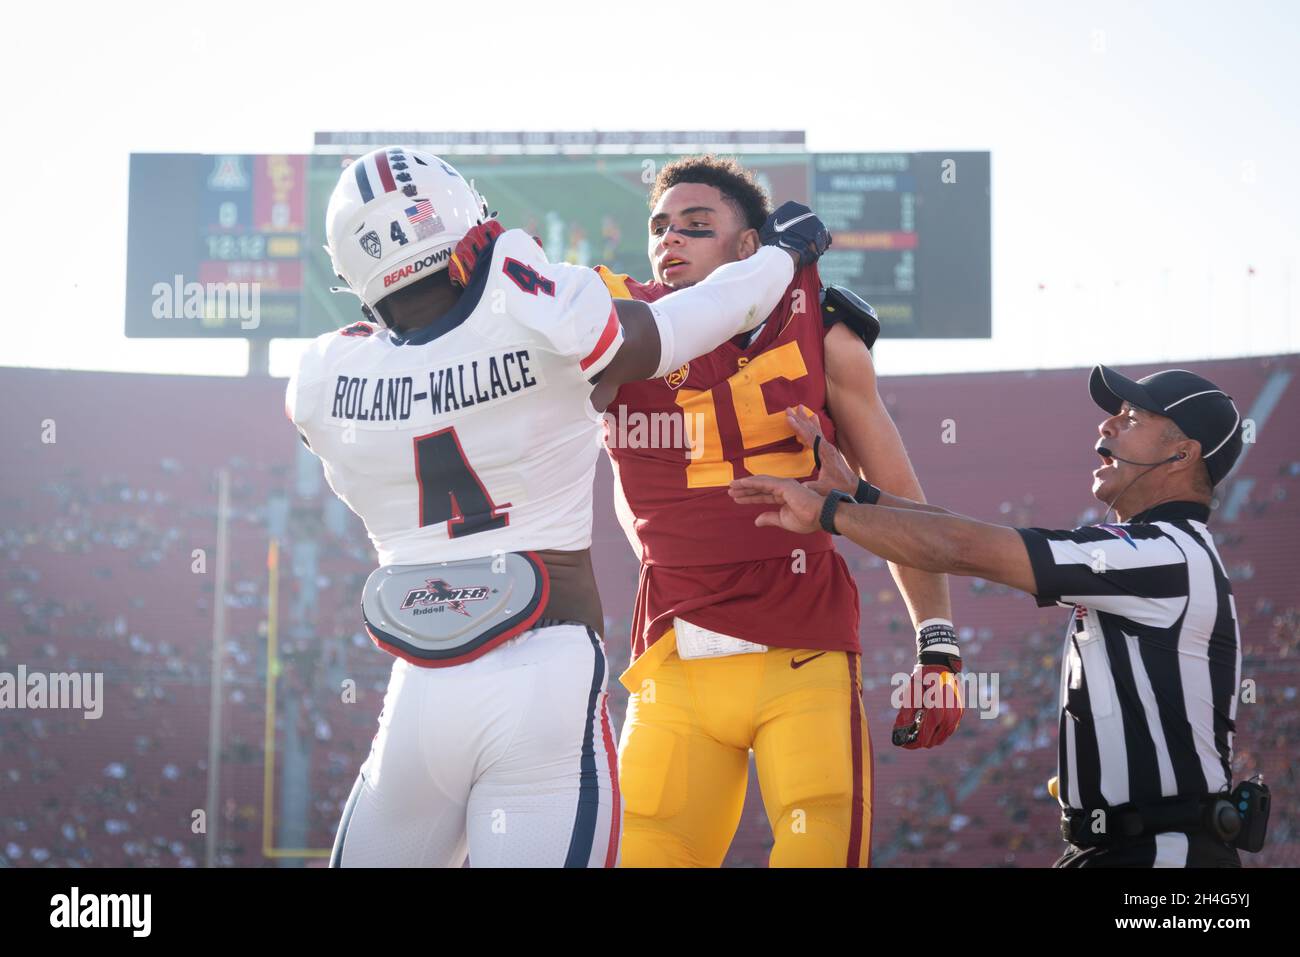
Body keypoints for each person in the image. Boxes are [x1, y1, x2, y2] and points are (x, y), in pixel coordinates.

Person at [287, 146, 828, 867]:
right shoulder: (542, 314)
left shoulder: (325, 379)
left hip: (415, 700)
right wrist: (785, 255)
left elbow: (408, 355)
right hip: (542, 676)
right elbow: (709, 312)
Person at [593, 156, 960, 868]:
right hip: (677, 660)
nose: (670, 240)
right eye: (660, 226)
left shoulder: (823, 329)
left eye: (696, 227)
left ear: (749, 248)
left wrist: (937, 644)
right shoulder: (618, 326)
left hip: (803, 649)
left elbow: (898, 497)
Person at [731, 365, 1249, 867]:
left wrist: (831, 514)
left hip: (1163, 856)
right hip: (1120, 848)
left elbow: (965, 548)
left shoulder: (1166, 554)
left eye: (1133, 417)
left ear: (1183, 453)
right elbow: (969, 534)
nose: (1107, 424)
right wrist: (860, 495)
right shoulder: (1158, 550)